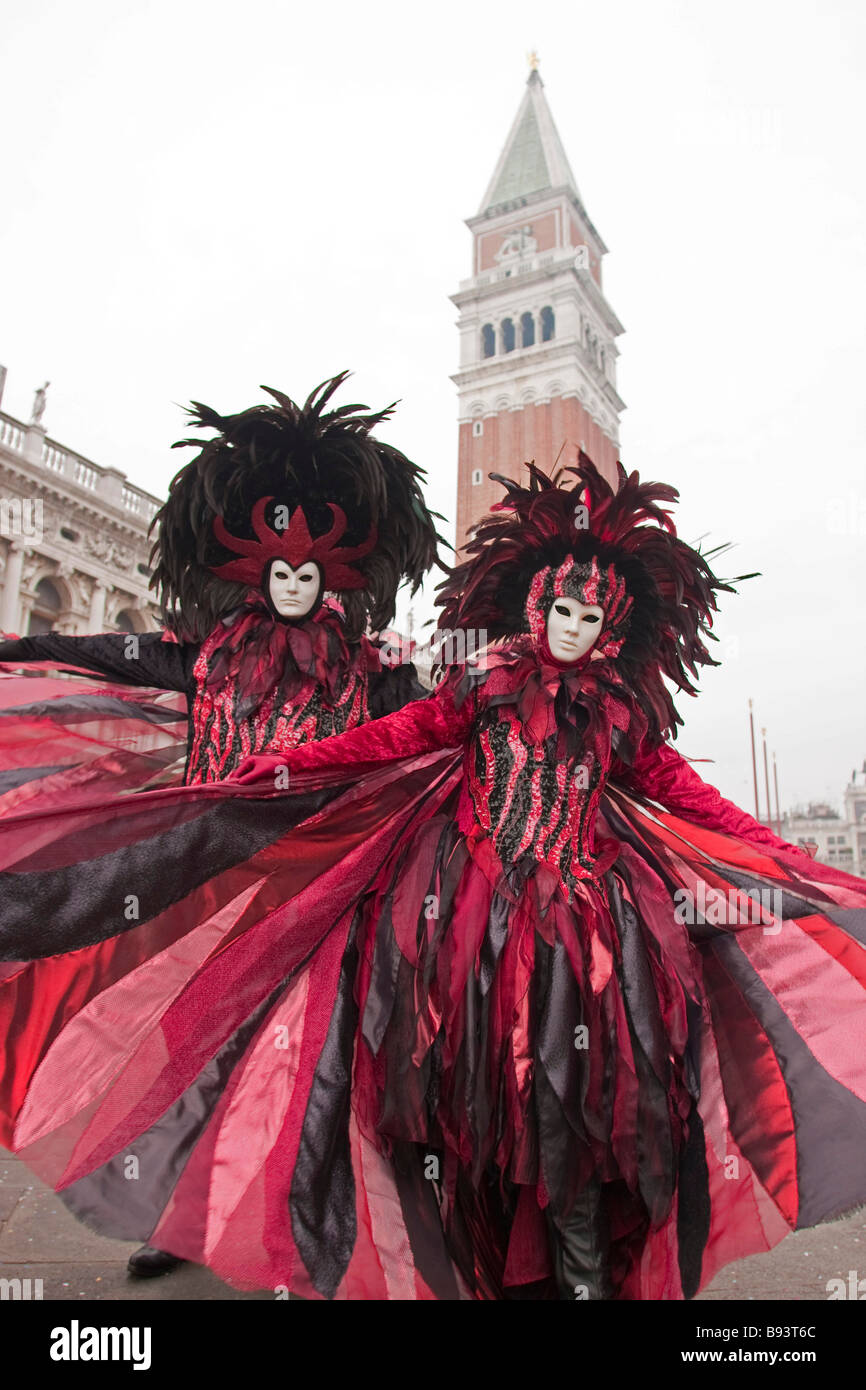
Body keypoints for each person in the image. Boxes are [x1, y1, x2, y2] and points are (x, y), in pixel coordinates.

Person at [3, 455, 866, 1300]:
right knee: (394, 1086)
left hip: (569, 936)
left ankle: (571, 1267)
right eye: (561, 608)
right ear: (538, 605)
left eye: (589, 617)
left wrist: (794, 862)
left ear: (614, 628)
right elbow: (386, 740)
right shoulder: (466, 685)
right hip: (437, 918)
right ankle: (334, 1238)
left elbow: (695, 798)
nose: (571, 627)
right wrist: (276, 774)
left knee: (563, 1099)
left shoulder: (609, 718)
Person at [0, 371, 441, 1277]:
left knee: (316, 1067)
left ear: (334, 577)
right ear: (251, 568)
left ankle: (314, 1224)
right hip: (203, 890)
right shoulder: (197, 657)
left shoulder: (373, 670)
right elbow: (81, 650)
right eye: (277, 569)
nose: (290, 582)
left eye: (307, 572)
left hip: (321, 900)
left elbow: (456, 712)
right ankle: (179, 1224)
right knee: (186, 1058)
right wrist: (14, 649)